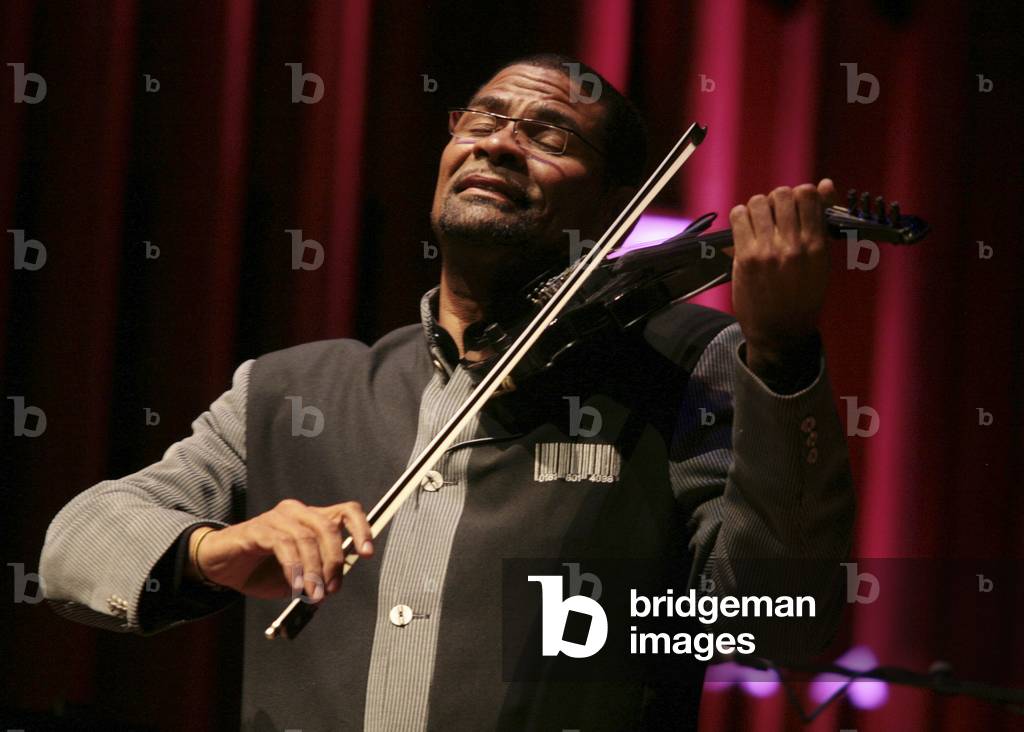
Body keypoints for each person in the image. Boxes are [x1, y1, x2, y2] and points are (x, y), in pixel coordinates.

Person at [39, 53, 854, 730]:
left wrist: (780, 356)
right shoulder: (289, 389)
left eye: (549, 133)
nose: (498, 146)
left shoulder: (682, 368)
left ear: (612, 206)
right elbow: (75, 548)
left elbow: (781, 617)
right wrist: (215, 551)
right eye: (482, 120)